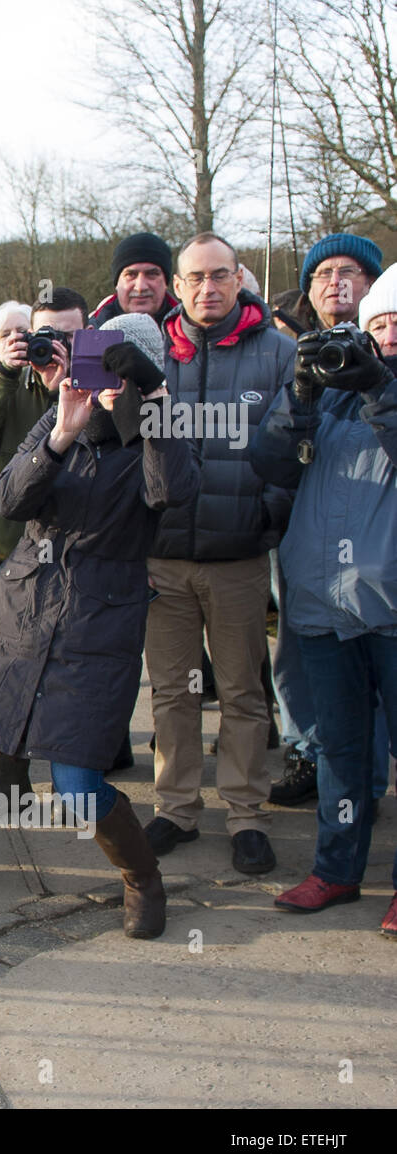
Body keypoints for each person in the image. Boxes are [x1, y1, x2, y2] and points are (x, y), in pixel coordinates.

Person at [0, 314, 200, 943]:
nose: (108, 384)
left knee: (77, 785)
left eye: (123, 371)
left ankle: (142, 879)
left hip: (97, 625)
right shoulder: (62, 418)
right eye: (101, 365)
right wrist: (60, 434)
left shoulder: (158, 431)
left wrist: (158, 402)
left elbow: (172, 492)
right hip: (17, 613)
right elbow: (7, 501)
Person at [144, 232, 296, 875]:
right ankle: (176, 807)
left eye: (220, 275)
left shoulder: (280, 353)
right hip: (163, 555)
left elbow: (294, 453)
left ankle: (246, 813)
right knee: (172, 691)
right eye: (195, 277)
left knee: (241, 692)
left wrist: (268, 520)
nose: (208, 288)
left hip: (237, 557)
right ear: (178, 287)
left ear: (240, 280)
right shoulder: (149, 352)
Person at [251, 275, 397, 935]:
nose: (390, 336)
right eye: (383, 324)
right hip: (320, 604)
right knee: (338, 749)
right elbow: (270, 464)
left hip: (391, 607)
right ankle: (336, 870)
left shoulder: (376, 391)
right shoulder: (332, 395)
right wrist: (300, 394)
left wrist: (380, 390)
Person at [0, 286, 88, 798]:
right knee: (7, 668)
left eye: (71, 337)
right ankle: (9, 782)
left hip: (80, 553)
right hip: (14, 548)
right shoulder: (12, 381)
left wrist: (76, 386)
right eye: (46, 336)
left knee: (69, 670)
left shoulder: (102, 385)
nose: (57, 347)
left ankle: (81, 769)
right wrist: (7, 374)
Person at [271, 236, 386, 810]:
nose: (335, 283)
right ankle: (313, 768)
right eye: (321, 275)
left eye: (350, 272)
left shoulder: (382, 365)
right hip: (308, 563)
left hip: (380, 582)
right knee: (301, 672)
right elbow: (267, 460)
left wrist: (372, 381)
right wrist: (299, 396)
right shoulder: (298, 357)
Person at [290, 232, 382, 332]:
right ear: (309, 289)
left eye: (347, 271)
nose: (335, 281)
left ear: (371, 283)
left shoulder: (389, 340)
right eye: (325, 273)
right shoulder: (280, 342)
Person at [88, 232, 179, 328]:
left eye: (151, 274)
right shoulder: (86, 335)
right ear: (117, 283)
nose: (140, 287)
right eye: (131, 275)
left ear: (166, 282)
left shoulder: (192, 336)